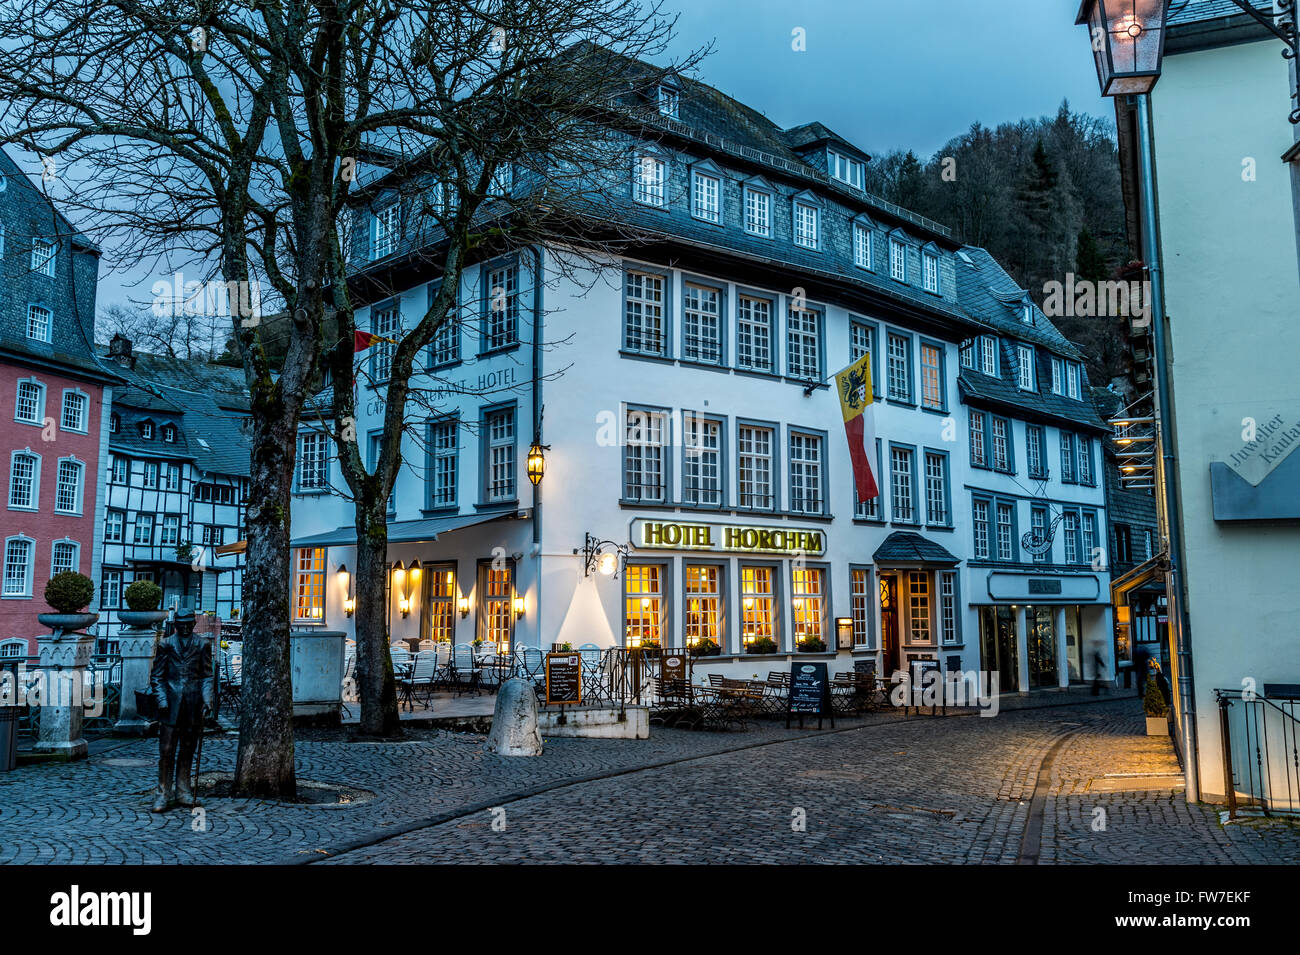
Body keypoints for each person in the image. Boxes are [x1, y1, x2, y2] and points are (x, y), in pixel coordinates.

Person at [148, 609, 212, 812]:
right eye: (181, 624)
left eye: (188, 624)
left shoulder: (202, 644)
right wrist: (162, 699)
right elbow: (157, 676)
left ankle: (183, 790)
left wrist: (207, 700)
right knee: (166, 751)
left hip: (193, 705)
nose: (184, 628)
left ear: (193, 624)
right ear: (175, 625)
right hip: (170, 705)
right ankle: (162, 793)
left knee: (187, 749)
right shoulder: (166, 645)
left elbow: (207, 676)